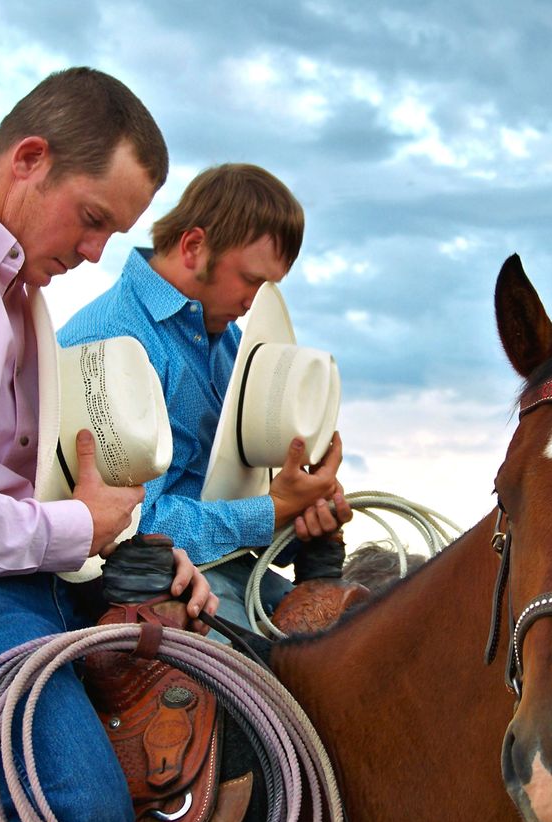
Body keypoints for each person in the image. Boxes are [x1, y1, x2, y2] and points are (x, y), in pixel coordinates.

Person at [0, 68, 218, 822]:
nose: (97, 254)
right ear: (30, 158)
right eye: (93, 220)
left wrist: (133, 558)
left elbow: (6, 485)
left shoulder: (13, 287)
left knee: (215, 663)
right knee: (74, 809)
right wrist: (78, 527)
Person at [59, 163, 353, 632]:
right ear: (194, 247)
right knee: (272, 678)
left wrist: (302, 515)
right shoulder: (114, 340)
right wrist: (273, 510)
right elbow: (132, 525)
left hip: (223, 569)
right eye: (250, 280)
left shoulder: (227, 344)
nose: (251, 303)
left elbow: (234, 492)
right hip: (137, 582)